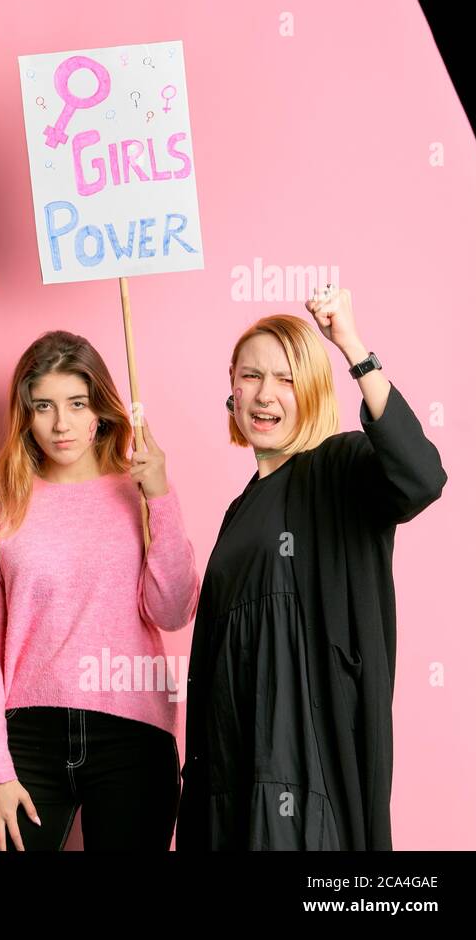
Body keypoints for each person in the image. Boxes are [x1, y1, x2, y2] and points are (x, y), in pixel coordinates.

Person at [177, 287, 447, 850]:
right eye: (250, 376)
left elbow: (421, 478)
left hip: (304, 776)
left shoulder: (338, 468)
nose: (265, 394)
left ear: (313, 390)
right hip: (233, 779)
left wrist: (352, 345)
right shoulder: (238, 511)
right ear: (231, 389)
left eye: (286, 378)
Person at [0, 330, 199, 851]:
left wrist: (160, 495)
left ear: (102, 410)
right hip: (28, 734)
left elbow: (175, 609)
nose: (61, 423)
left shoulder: (138, 494)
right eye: (44, 406)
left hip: (133, 732)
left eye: (77, 403)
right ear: (25, 414)